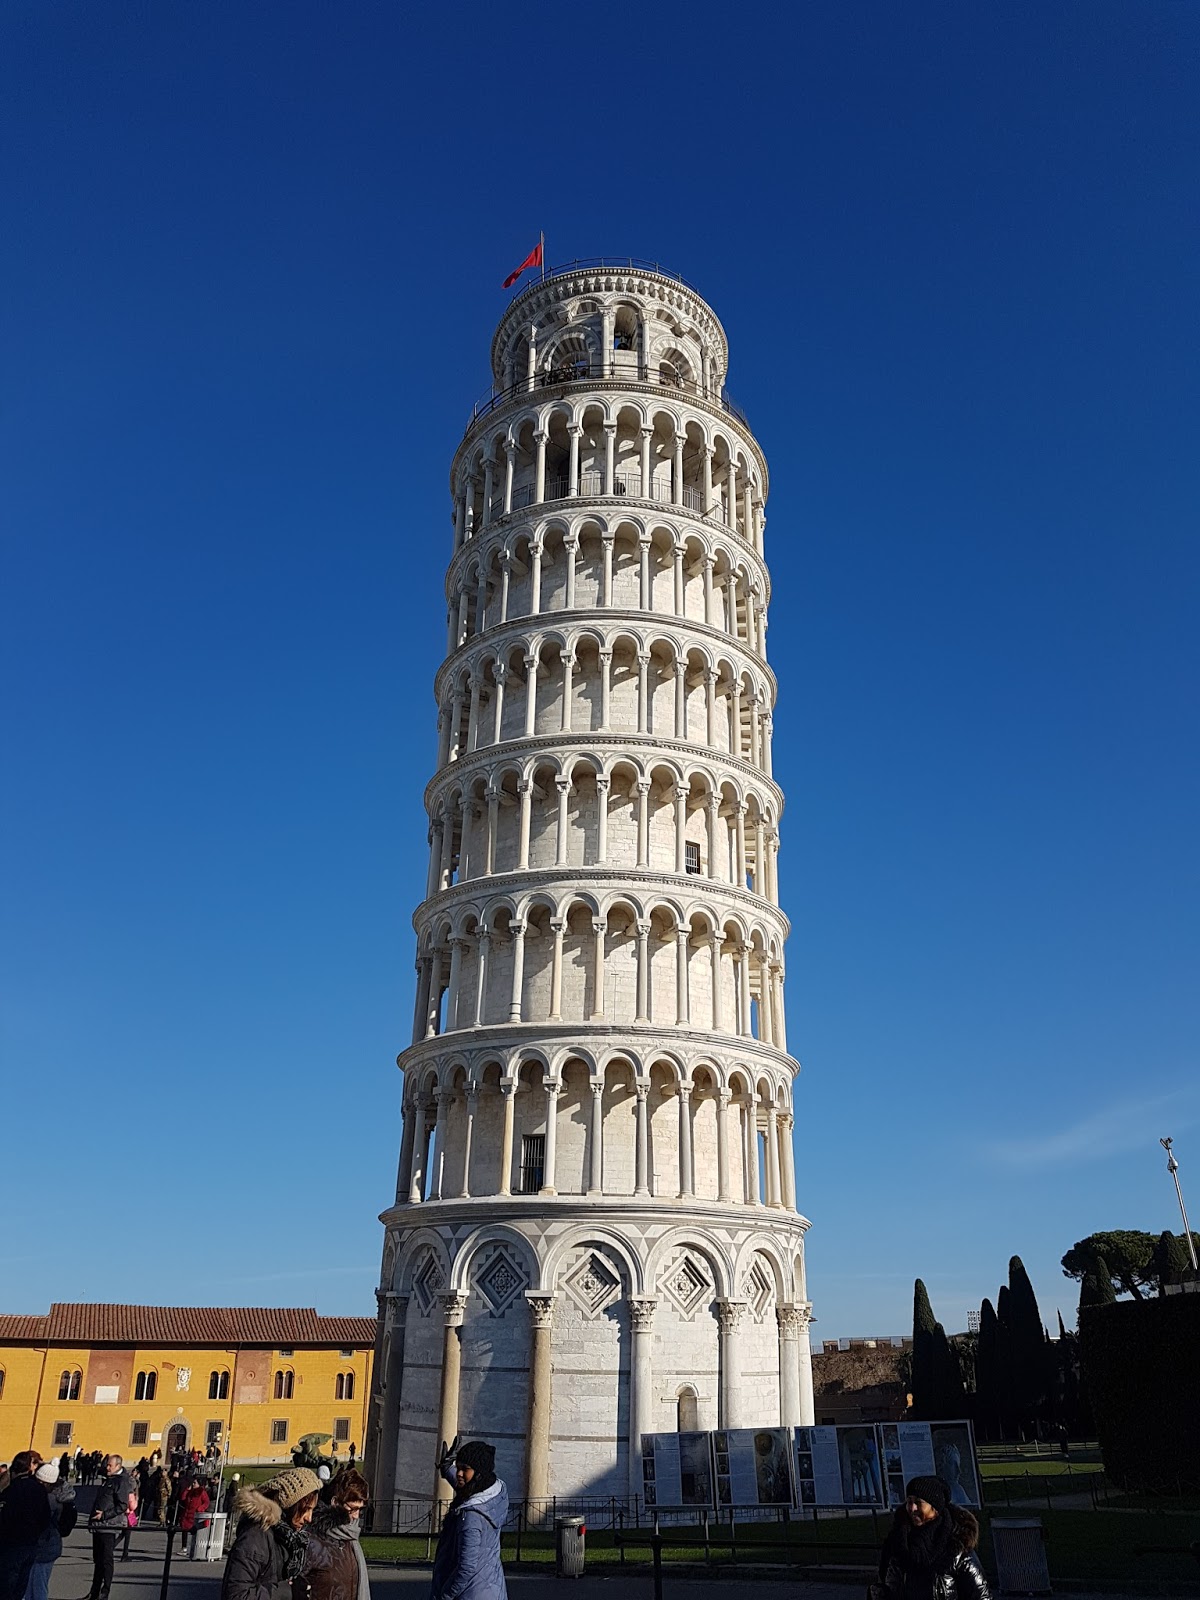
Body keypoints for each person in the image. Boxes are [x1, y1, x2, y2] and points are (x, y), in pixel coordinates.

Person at [876, 1476, 991, 1599]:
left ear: (935, 1508)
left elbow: (981, 1596)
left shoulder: (956, 1548)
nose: (912, 1508)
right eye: (909, 1501)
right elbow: (886, 1584)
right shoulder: (896, 1543)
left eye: (918, 1502)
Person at [221, 1468, 321, 1600]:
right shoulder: (256, 1536)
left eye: (312, 1510)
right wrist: (286, 1592)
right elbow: (236, 1595)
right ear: (290, 1504)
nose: (309, 1518)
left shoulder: (287, 1536)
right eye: (305, 1509)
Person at [430, 1440, 508, 1600]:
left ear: (479, 1473)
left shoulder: (471, 1517)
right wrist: (446, 1468)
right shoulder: (495, 1492)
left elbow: (466, 1568)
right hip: (492, 1589)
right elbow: (464, 1487)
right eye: (458, 1467)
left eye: (464, 1469)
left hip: (470, 1594)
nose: (458, 1473)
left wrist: (444, 1596)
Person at [302, 1469, 370, 1600]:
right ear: (335, 1502)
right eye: (352, 1509)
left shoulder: (350, 1537)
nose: (356, 1517)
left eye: (360, 1510)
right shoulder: (312, 1539)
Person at [85, 1455, 136, 1600]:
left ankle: (104, 1592)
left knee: (106, 1560)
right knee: (98, 1560)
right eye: (107, 1465)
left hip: (109, 1526)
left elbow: (122, 1505)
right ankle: (94, 1592)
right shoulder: (109, 1480)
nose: (107, 1468)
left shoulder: (121, 1482)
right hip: (99, 1526)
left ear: (118, 1466)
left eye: (110, 1465)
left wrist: (104, 1515)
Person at [0, 1452, 49, 1600]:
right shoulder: (39, 1489)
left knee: (6, 1588)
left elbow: (4, 1519)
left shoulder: (10, 1491)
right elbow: (45, 1518)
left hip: (11, 1546)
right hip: (30, 1544)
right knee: (21, 1586)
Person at [24, 1459, 76, 1600]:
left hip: (41, 1548)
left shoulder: (47, 1500)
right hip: (50, 1546)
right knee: (37, 1586)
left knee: (35, 1588)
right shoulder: (61, 1497)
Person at [177, 1477, 211, 1552]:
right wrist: (187, 1490)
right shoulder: (191, 1491)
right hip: (187, 1513)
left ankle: (194, 1548)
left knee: (194, 1531)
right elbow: (183, 1498)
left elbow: (206, 1502)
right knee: (184, 1530)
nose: (193, 1484)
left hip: (195, 1514)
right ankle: (184, 1547)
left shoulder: (202, 1492)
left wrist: (200, 1508)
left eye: (195, 1483)